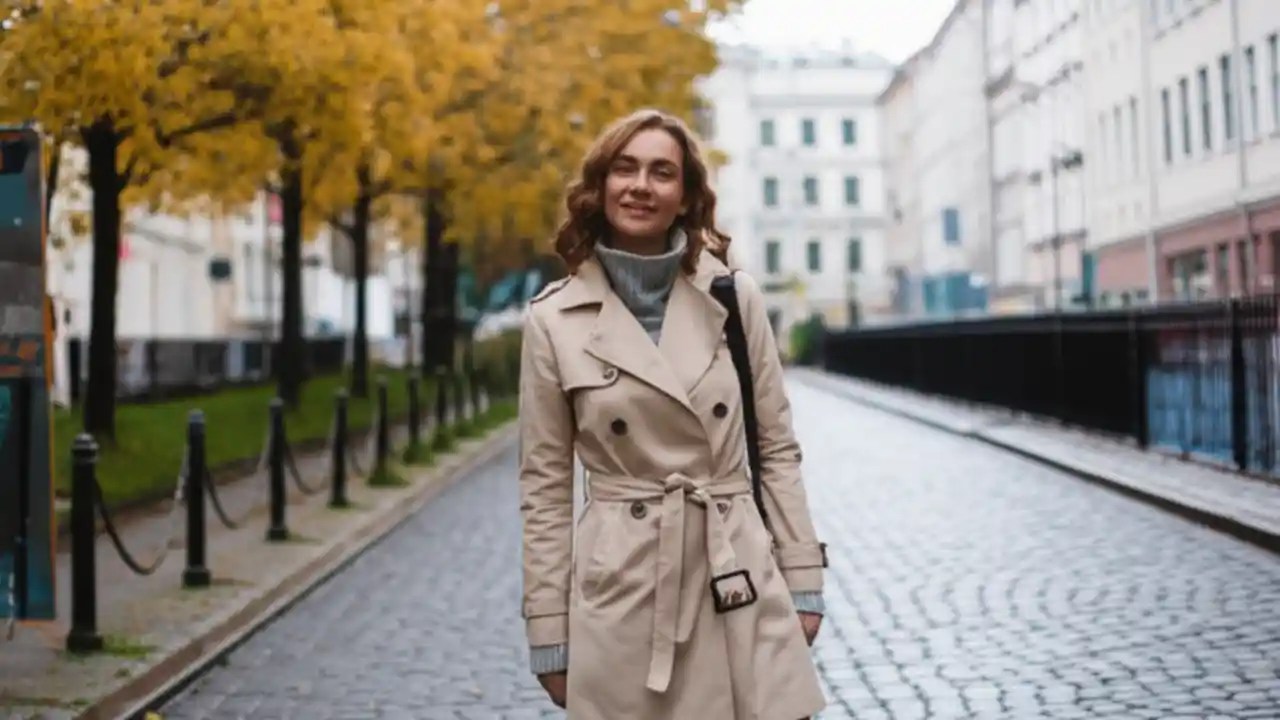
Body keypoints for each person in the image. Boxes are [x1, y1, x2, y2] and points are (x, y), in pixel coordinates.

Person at [517, 108, 829, 719]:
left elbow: (777, 448)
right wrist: (549, 627)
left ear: (685, 196)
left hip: (733, 571)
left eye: (662, 172)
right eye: (625, 169)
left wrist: (802, 575)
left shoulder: (733, 299)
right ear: (600, 185)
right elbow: (545, 486)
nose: (640, 185)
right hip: (622, 583)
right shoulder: (553, 320)